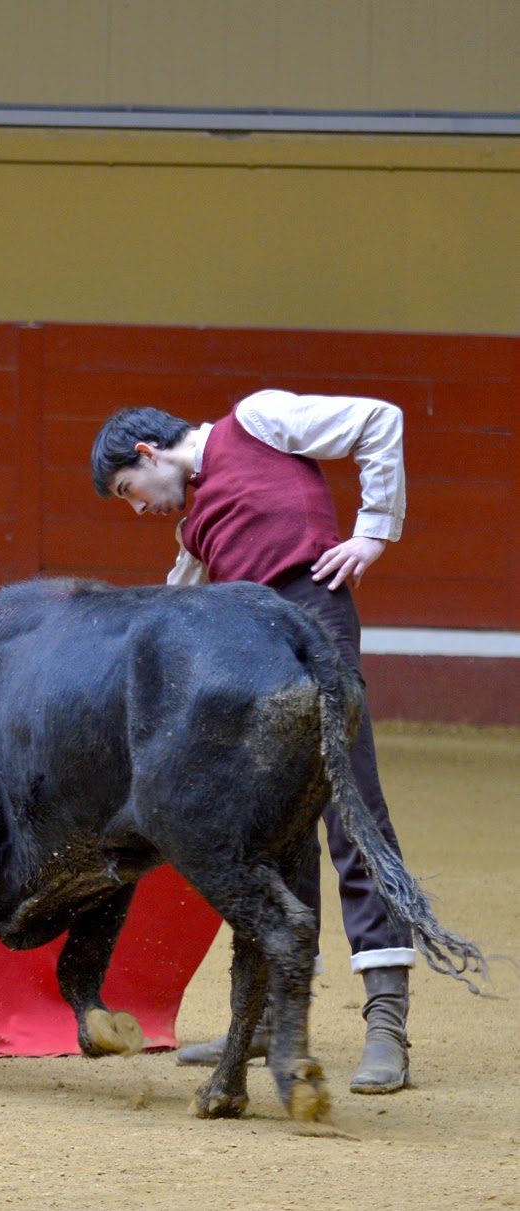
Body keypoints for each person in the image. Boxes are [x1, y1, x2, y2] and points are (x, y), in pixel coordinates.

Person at [90, 389, 416, 1094]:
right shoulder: (192, 536)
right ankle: (269, 1016)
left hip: (314, 615)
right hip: (254, 664)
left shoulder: (258, 418)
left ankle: (387, 1023)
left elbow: (377, 419)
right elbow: (161, 617)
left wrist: (371, 530)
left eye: (128, 489)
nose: (138, 506)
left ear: (146, 453)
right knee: (274, 827)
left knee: (351, 807)